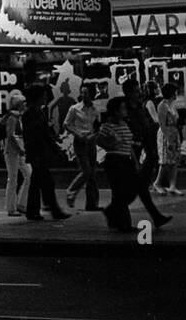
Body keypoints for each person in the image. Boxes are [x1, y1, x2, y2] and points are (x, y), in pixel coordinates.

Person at [122, 78, 172, 226]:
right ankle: (116, 213)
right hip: (129, 150)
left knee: (138, 188)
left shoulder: (138, 106)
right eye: (136, 91)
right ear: (129, 92)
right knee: (132, 189)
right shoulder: (124, 108)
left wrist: (149, 146)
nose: (139, 93)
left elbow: (144, 126)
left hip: (140, 147)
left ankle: (155, 217)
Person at [21, 83, 69, 221]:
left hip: (39, 153)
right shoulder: (30, 114)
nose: (46, 97)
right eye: (43, 95)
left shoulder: (38, 112)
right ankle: (53, 210)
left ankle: (34, 211)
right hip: (37, 154)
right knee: (47, 182)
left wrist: (54, 148)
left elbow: (45, 135)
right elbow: (33, 135)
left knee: (37, 183)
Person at [96, 97, 143, 232]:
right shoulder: (108, 126)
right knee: (120, 192)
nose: (125, 110)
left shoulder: (124, 124)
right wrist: (110, 145)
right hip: (114, 161)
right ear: (116, 111)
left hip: (125, 160)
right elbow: (99, 140)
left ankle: (113, 215)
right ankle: (123, 223)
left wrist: (135, 161)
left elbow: (128, 145)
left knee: (128, 191)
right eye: (122, 108)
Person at [64, 83, 100, 211]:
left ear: (91, 94)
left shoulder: (96, 109)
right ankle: (71, 191)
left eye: (86, 92)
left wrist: (95, 135)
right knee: (87, 171)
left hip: (92, 142)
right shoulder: (75, 108)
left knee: (92, 174)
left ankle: (92, 203)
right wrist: (78, 134)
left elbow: (97, 126)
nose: (83, 95)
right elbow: (67, 124)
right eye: (82, 92)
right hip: (80, 142)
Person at [3, 88, 30, 216]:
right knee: (12, 179)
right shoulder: (12, 118)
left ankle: (21, 204)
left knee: (29, 174)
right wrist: (20, 149)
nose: (25, 105)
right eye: (23, 103)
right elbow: (10, 136)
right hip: (13, 151)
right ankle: (11, 208)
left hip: (19, 150)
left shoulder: (18, 117)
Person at [153, 82, 183, 196]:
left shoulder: (172, 105)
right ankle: (157, 183)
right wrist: (168, 139)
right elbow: (162, 124)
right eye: (175, 92)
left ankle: (172, 185)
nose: (176, 94)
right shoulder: (162, 105)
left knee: (175, 160)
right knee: (165, 161)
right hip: (166, 134)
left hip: (174, 132)